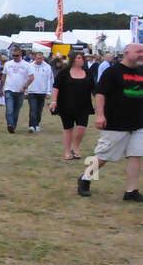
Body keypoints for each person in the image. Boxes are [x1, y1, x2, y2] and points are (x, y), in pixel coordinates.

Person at [78, 42, 143, 200]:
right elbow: (100, 94)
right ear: (127, 53)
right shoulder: (112, 72)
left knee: (135, 156)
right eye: (139, 51)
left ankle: (131, 191)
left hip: (138, 123)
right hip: (115, 122)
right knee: (103, 156)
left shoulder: (142, 71)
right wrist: (100, 115)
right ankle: (85, 178)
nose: (142, 54)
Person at [51, 51, 93, 160]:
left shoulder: (88, 73)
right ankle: (67, 152)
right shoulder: (64, 72)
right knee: (68, 129)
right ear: (73, 60)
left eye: (82, 58)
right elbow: (56, 87)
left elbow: (94, 88)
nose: (80, 60)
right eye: (78, 58)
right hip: (66, 104)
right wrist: (54, 101)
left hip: (84, 105)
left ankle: (76, 148)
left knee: (81, 127)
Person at [1, 49, 32, 133]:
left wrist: (24, 87)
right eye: (13, 55)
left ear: (21, 54)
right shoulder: (8, 64)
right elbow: (3, 77)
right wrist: (1, 88)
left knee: (16, 110)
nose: (15, 57)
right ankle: (10, 124)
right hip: (9, 89)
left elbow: (32, 78)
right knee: (9, 109)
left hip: (20, 91)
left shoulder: (26, 65)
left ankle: (13, 126)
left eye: (17, 56)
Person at [25, 51, 54, 132]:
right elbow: (27, 79)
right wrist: (26, 91)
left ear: (43, 58)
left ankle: (37, 124)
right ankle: (31, 126)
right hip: (32, 91)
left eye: (41, 58)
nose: (39, 60)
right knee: (33, 109)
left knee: (39, 110)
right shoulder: (30, 66)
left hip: (42, 91)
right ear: (35, 57)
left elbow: (50, 80)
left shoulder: (47, 67)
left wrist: (49, 92)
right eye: (38, 58)